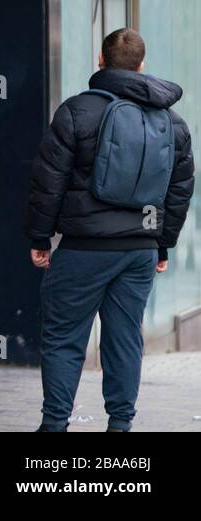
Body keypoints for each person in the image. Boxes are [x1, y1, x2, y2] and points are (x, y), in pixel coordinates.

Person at [27, 27, 194, 433]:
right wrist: (163, 245)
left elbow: (48, 182)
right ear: (141, 66)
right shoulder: (171, 122)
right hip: (138, 250)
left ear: (99, 61)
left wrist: (39, 237)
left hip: (84, 248)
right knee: (125, 340)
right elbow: (180, 189)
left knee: (65, 337)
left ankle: (54, 425)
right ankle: (120, 425)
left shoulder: (75, 112)